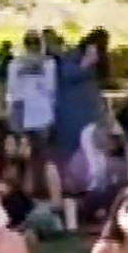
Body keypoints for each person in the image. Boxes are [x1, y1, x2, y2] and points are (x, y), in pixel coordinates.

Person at [53, 29, 110, 164]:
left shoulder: (99, 60)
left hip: (90, 110)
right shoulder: (73, 55)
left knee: (91, 147)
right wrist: (86, 62)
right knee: (72, 147)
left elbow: (104, 78)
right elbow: (68, 74)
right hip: (72, 109)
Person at [6, 31, 57, 139]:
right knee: (40, 148)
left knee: (23, 148)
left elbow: (12, 88)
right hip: (41, 109)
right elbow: (51, 88)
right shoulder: (49, 63)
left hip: (24, 108)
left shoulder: (15, 63)